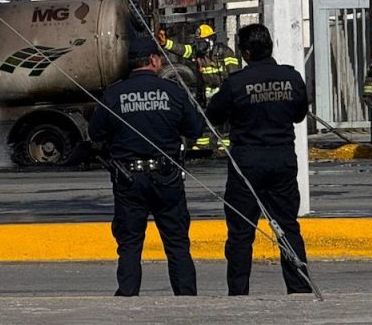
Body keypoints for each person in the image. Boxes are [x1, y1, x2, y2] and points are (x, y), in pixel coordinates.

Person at [88, 36, 205, 297]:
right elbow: (196, 128)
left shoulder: (114, 94)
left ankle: (128, 297)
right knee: (176, 243)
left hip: (129, 179)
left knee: (130, 244)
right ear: (153, 60)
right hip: (167, 176)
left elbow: (95, 134)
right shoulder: (173, 91)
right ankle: (186, 299)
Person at [205, 23, 312, 296]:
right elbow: (300, 114)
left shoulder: (236, 83)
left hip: (247, 163)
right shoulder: (292, 78)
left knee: (241, 232)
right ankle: (299, 287)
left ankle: (239, 292)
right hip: (282, 159)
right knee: (287, 227)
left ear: (246, 53)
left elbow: (214, 115)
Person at [159, 23, 239, 149]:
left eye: (200, 41)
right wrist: (165, 43)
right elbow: (182, 49)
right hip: (206, 96)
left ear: (209, 40)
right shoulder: (198, 53)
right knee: (205, 121)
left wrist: (230, 94)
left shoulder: (225, 53)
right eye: (197, 41)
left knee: (224, 124)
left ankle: (224, 148)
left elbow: (234, 74)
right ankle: (203, 147)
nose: (198, 45)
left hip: (223, 95)